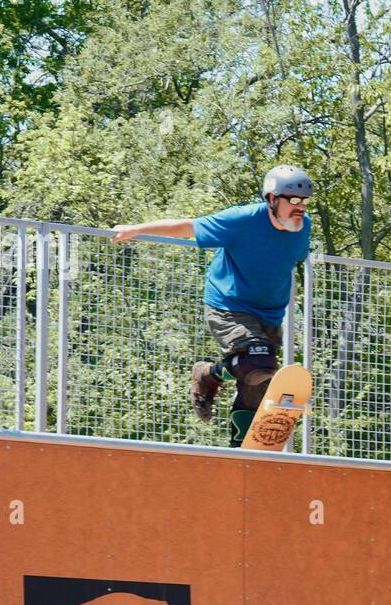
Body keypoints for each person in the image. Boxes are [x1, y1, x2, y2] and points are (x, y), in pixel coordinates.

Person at [111, 165, 312, 446]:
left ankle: (240, 448)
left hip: (270, 313)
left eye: (303, 201)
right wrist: (135, 230)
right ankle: (207, 375)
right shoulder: (242, 220)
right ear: (271, 199)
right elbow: (188, 227)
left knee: (258, 383)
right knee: (258, 363)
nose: (299, 207)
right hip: (228, 306)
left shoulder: (304, 227)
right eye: (292, 200)